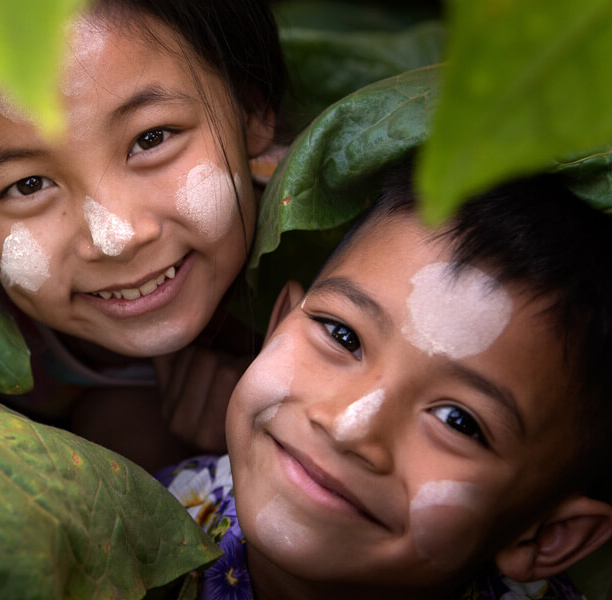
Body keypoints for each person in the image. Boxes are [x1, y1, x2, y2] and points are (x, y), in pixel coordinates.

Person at [158, 164, 612, 599]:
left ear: (549, 536)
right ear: (277, 326)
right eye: (343, 335)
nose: (348, 426)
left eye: (458, 421)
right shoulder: (155, 513)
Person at [0, 0, 287, 468]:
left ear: (250, 111)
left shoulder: (348, 252)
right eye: (28, 185)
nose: (115, 236)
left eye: (152, 138)